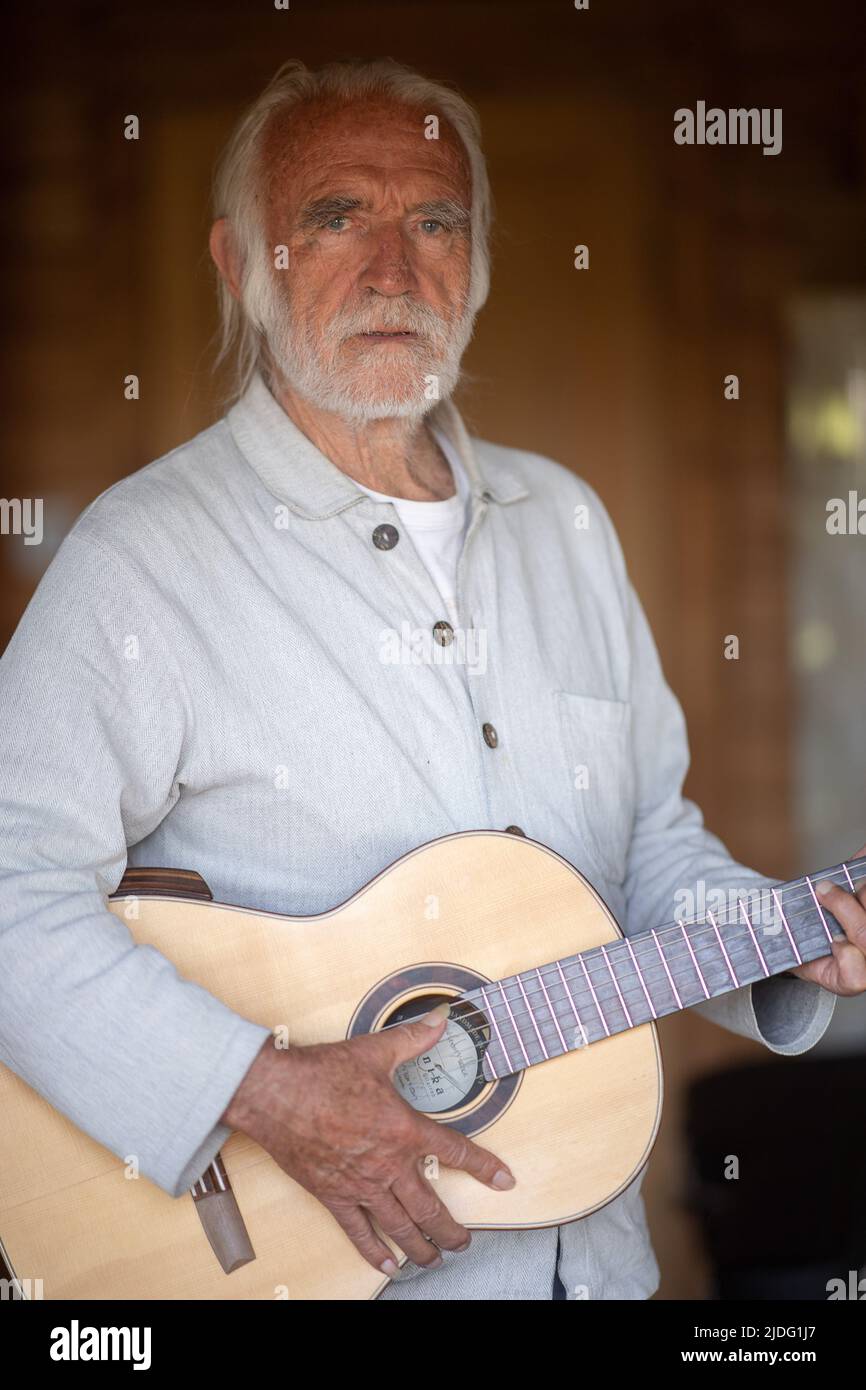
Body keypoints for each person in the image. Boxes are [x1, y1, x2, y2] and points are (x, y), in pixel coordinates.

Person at [2, 58, 865, 1302]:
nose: (393, 271)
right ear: (241, 267)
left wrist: (789, 938)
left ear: (478, 267)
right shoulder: (143, 559)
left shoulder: (566, 522)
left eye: (435, 222)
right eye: (335, 217)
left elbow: (645, 846)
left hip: (592, 1266)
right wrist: (260, 1091)